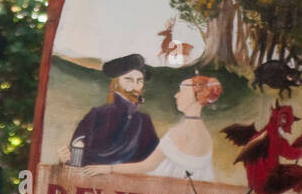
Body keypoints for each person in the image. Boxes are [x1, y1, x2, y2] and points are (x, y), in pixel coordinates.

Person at [83, 75, 222, 182]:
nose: (176, 95)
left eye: (182, 90)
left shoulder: (178, 133)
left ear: (196, 96)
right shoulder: (206, 136)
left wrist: (108, 168)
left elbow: (147, 166)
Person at [57, 54, 158, 167]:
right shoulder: (96, 115)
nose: (135, 86)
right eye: (129, 80)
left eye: (139, 81)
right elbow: (75, 159)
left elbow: (154, 161)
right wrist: (65, 159)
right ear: (115, 84)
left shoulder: (144, 120)